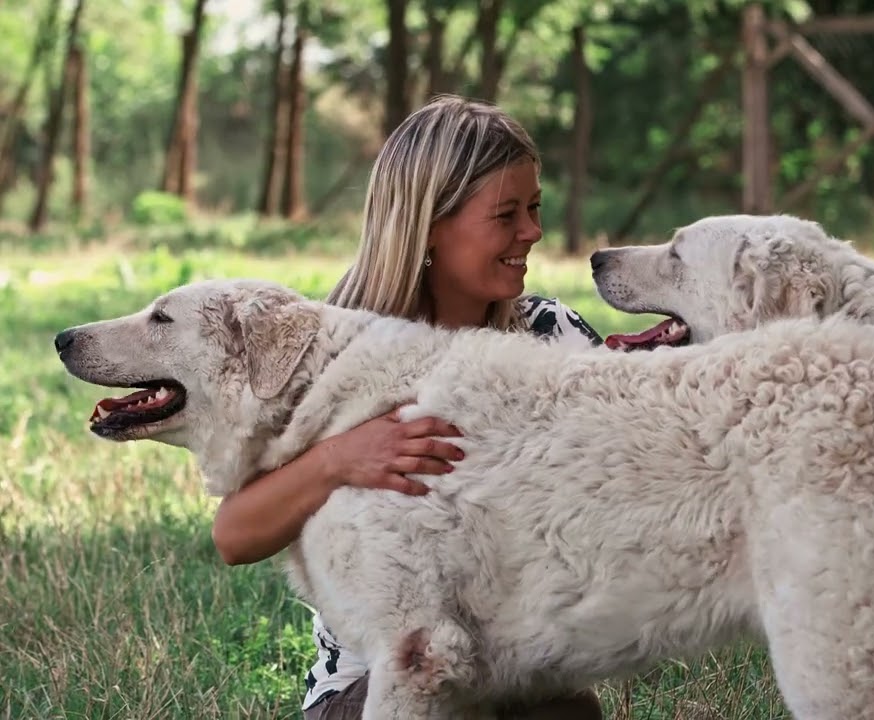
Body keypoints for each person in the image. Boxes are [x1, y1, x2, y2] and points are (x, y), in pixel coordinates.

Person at [210, 94, 606, 720]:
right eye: (506, 214)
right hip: (373, 685)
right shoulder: (328, 358)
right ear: (428, 226)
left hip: (524, 678)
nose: (532, 232)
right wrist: (339, 459)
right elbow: (233, 536)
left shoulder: (552, 338)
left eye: (534, 209)